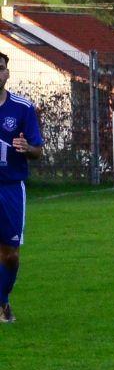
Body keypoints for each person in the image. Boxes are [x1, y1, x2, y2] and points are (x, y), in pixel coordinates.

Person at [0, 51, 45, 325]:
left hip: (11, 188)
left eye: (0, 67)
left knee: (11, 254)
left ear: (7, 73)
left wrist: (27, 148)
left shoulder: (22, 108)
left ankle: (3, 300)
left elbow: (39, 149)